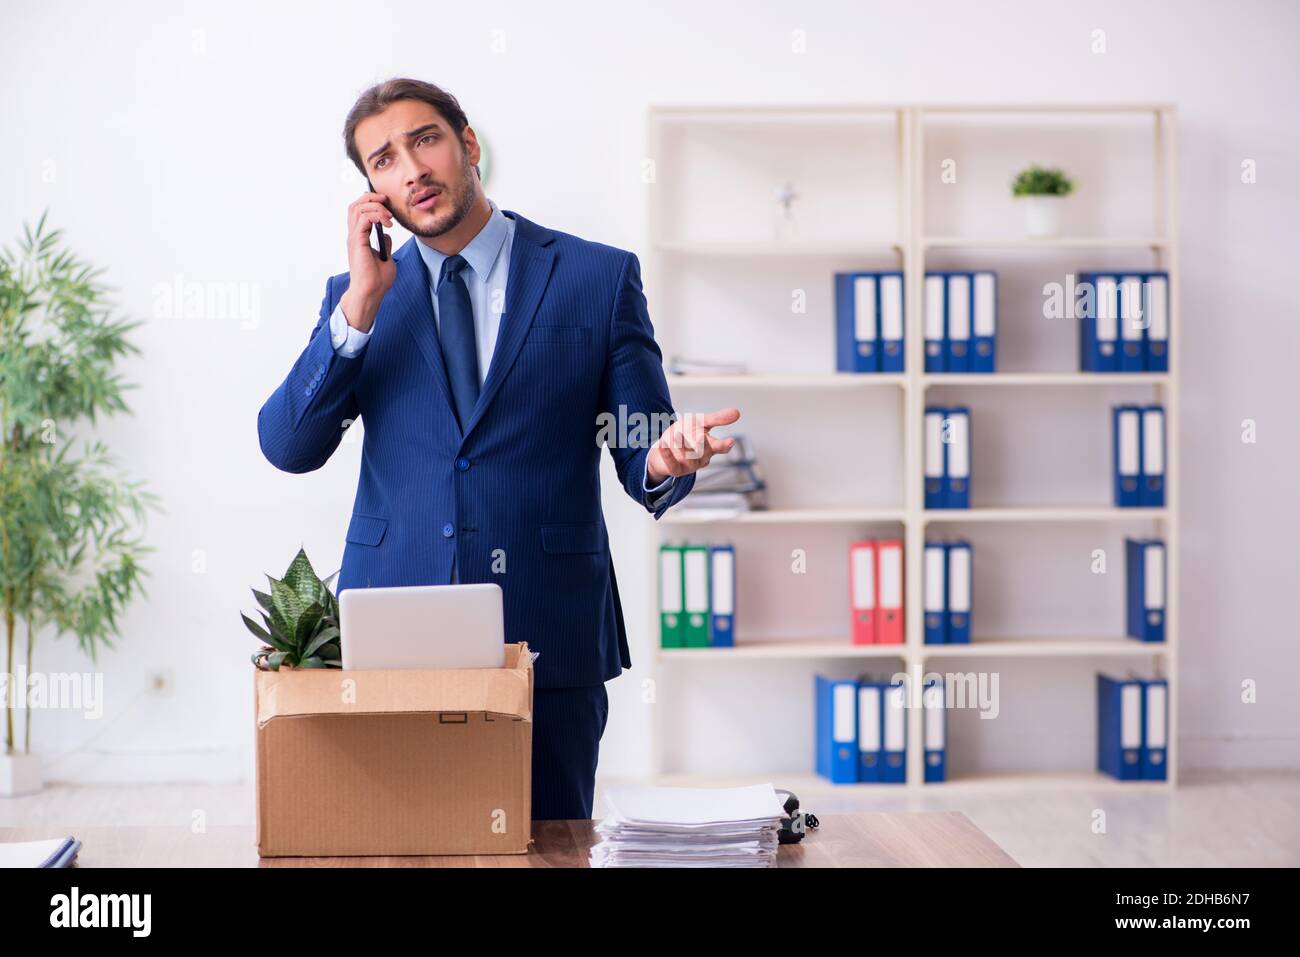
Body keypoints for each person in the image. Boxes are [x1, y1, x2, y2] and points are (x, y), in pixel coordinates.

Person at [256, 78, 739, 821]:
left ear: (468, 144)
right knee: (403, 848)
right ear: (372, 191)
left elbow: (639, 436)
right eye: (384, 160)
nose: (412, 169)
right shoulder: (358, 298)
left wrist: (665, 459)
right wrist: (359, 307)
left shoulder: (596, 276)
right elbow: (289, 445)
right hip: (394, 626)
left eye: (424, 140)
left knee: (551, 846)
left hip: (550, 627)